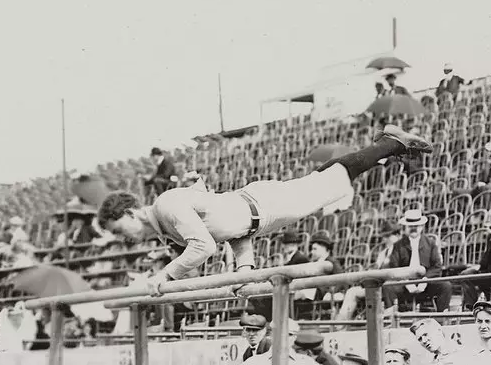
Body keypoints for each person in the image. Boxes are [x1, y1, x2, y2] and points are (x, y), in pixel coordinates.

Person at [96, 125, 431, 292]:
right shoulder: (167, 223)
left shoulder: (165, 204)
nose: (122, 240)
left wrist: (163, 275)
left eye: (117, 231)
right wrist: (246, 269)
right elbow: (231, 232)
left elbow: (205, 246)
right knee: (321, 181)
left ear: (128, 213)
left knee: (328, 181)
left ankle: (390, 143)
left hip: (264, 206)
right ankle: (385, 148)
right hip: (257, 212)